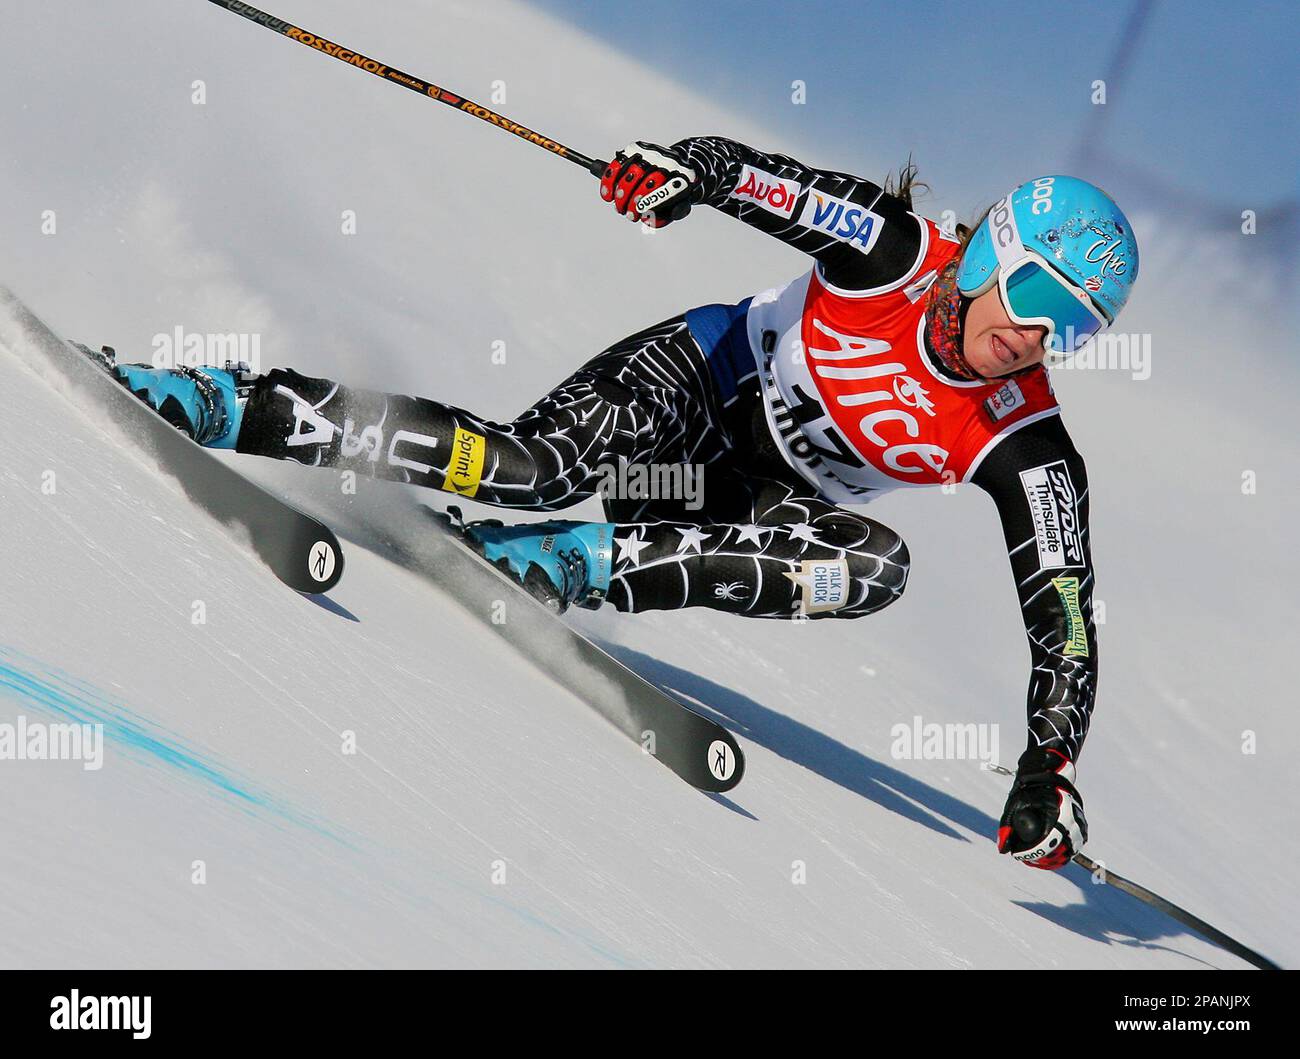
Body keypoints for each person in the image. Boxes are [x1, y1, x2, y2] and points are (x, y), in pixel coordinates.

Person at [111, 136, 1138, 871]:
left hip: (700, 496)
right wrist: (685, 176)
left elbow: (1068, 626)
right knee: (531, 464)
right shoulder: (892, 255)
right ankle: (214, 402)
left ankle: (555, 564)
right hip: (696, 383)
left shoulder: (1025, 440)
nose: (1040, 338)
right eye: (1040, 301)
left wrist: (1047, 771)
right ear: (993, 255)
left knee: (873, 568)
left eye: (1074, 331)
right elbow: (767, 185)